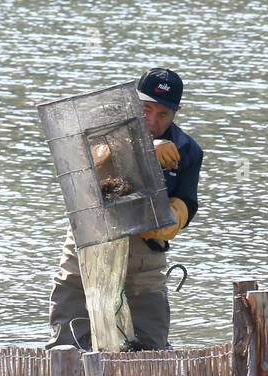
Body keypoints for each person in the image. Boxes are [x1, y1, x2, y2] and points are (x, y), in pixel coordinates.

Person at [47, 68, 203, 350]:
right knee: (68, 343)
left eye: (163, 114)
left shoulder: (187, 150)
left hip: (145, 253)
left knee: (151, 346)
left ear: (176, 113)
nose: (153, 121)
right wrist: (142, 150)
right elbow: (83, 170)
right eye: (146, 110)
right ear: (133, 103)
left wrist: (174, 217)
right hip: (89, 243)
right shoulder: (100, 132)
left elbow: (188, 201)